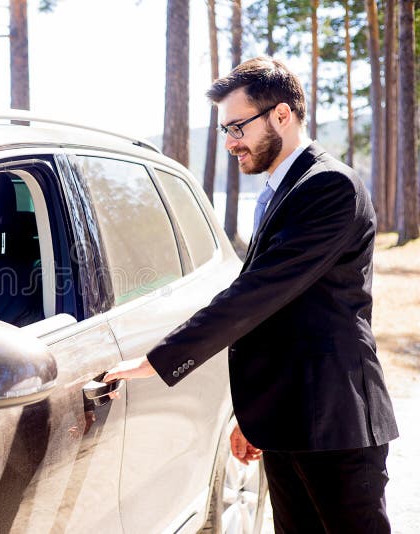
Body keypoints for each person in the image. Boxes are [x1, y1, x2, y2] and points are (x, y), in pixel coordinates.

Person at [104, 56, 398, 533]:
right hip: (292, 418)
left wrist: (156, 361)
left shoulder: (328, 187)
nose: (229, 143)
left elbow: (255, 295)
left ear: (282, 115)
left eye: (237, 126)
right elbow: (279, 317)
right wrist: (255, 416)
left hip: (334, 422)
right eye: (224, 130)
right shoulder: (283, 189)